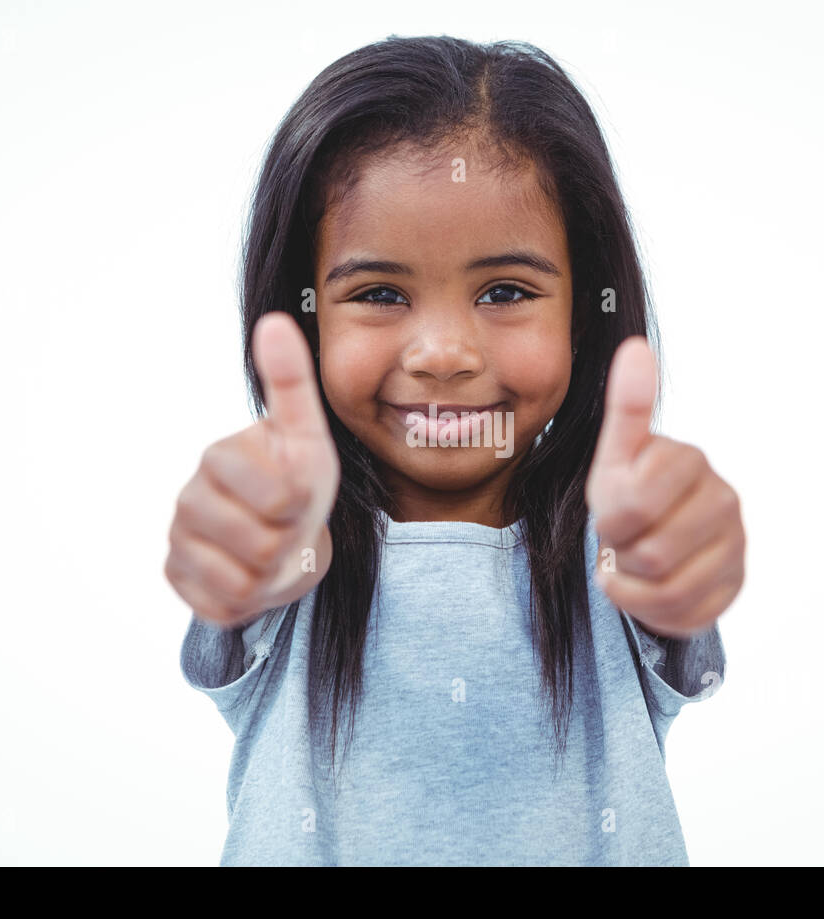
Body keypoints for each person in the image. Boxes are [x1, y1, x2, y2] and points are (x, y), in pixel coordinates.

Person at [165, 35, 746, 865]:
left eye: (505, 292)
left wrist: (685, 550)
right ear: (305, 318)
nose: (443, 352)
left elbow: (679, 595)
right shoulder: (294, 553)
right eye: (379, 294)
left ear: (583, 314)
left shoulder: (612, 547)